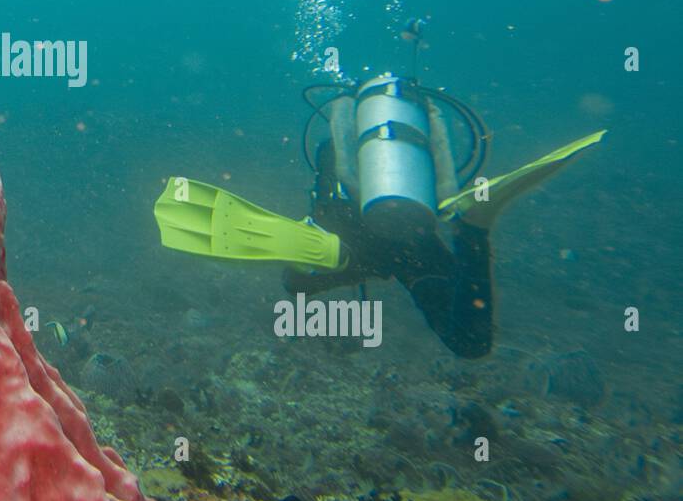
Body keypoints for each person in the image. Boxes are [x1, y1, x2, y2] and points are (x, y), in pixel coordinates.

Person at [153, 71, 604, 358]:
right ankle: (473, 230)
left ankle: (325, 253)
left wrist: (328, 242)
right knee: (470, 342)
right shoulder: (413, 137)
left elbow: (328, 192)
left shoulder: (340, 140)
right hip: (416, 234)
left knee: (295, 283)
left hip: (357, 244)